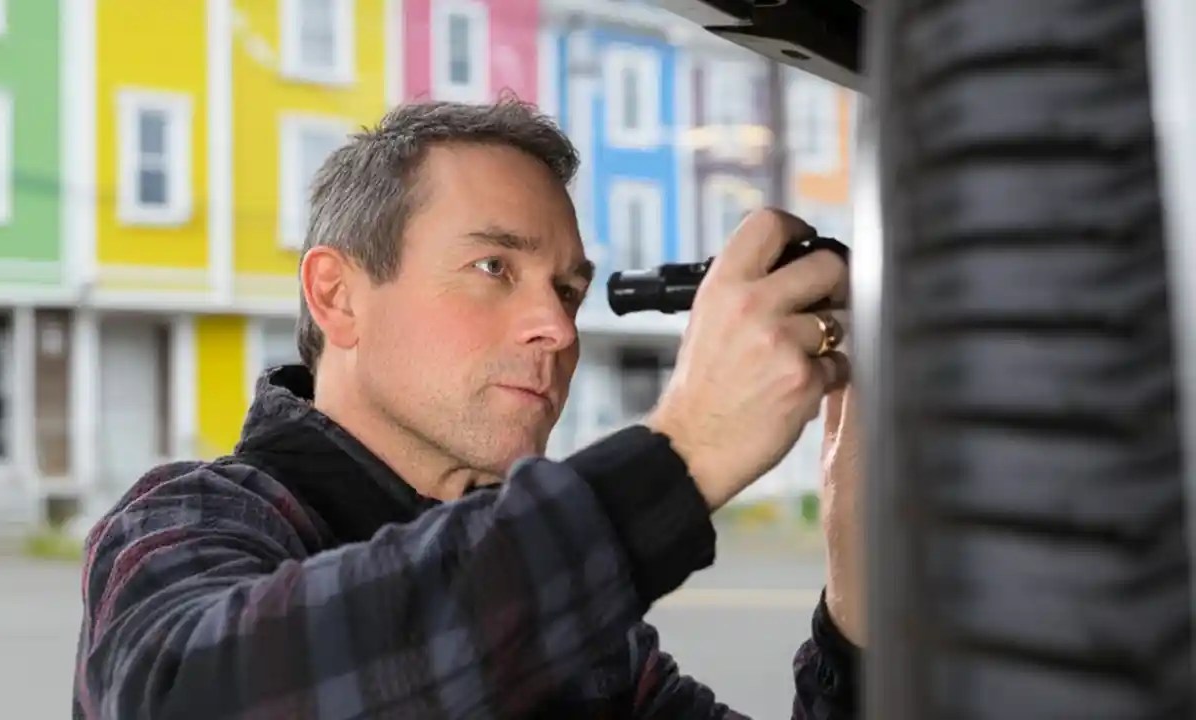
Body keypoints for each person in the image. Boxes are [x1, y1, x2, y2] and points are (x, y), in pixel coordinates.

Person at [72, 99, 864, 719]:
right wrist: (684, 455)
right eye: (493, 266)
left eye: (568, 290)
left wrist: (860, 573)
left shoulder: (576, 626)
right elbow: (191, 700)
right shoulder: (192, 521)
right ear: (336, 296)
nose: (555, 328)